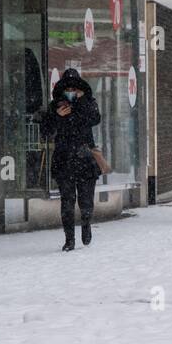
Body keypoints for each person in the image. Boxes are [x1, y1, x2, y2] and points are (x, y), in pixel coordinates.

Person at [40, 68, 102, 252]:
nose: (71, 92)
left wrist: (82, 101)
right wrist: (57, 116)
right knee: (67, 201)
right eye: (68, 88)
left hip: (85, 159)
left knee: (86, 201)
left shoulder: (88, 103)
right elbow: (45, 131)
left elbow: (95, 119)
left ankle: (86, 224)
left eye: (75, 89)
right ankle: (69, 239)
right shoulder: (55, 106)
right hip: (64, 159)